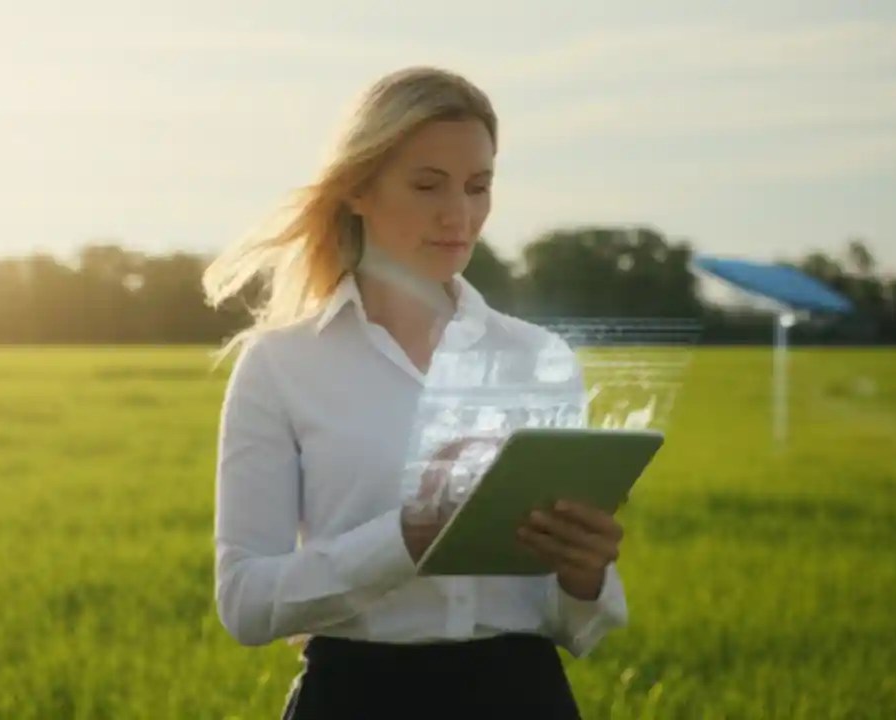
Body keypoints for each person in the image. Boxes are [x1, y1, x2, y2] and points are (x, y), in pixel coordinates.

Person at [201, 66, 628, 718]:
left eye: (478, 187)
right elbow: (246, 602)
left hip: (524, 697)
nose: (459, 215)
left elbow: (578, 625)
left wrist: (585, 574)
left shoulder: (539, 358)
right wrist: (405, 538)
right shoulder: (279, 365)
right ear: (358, 189)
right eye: (428, 185)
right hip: (353, 699)